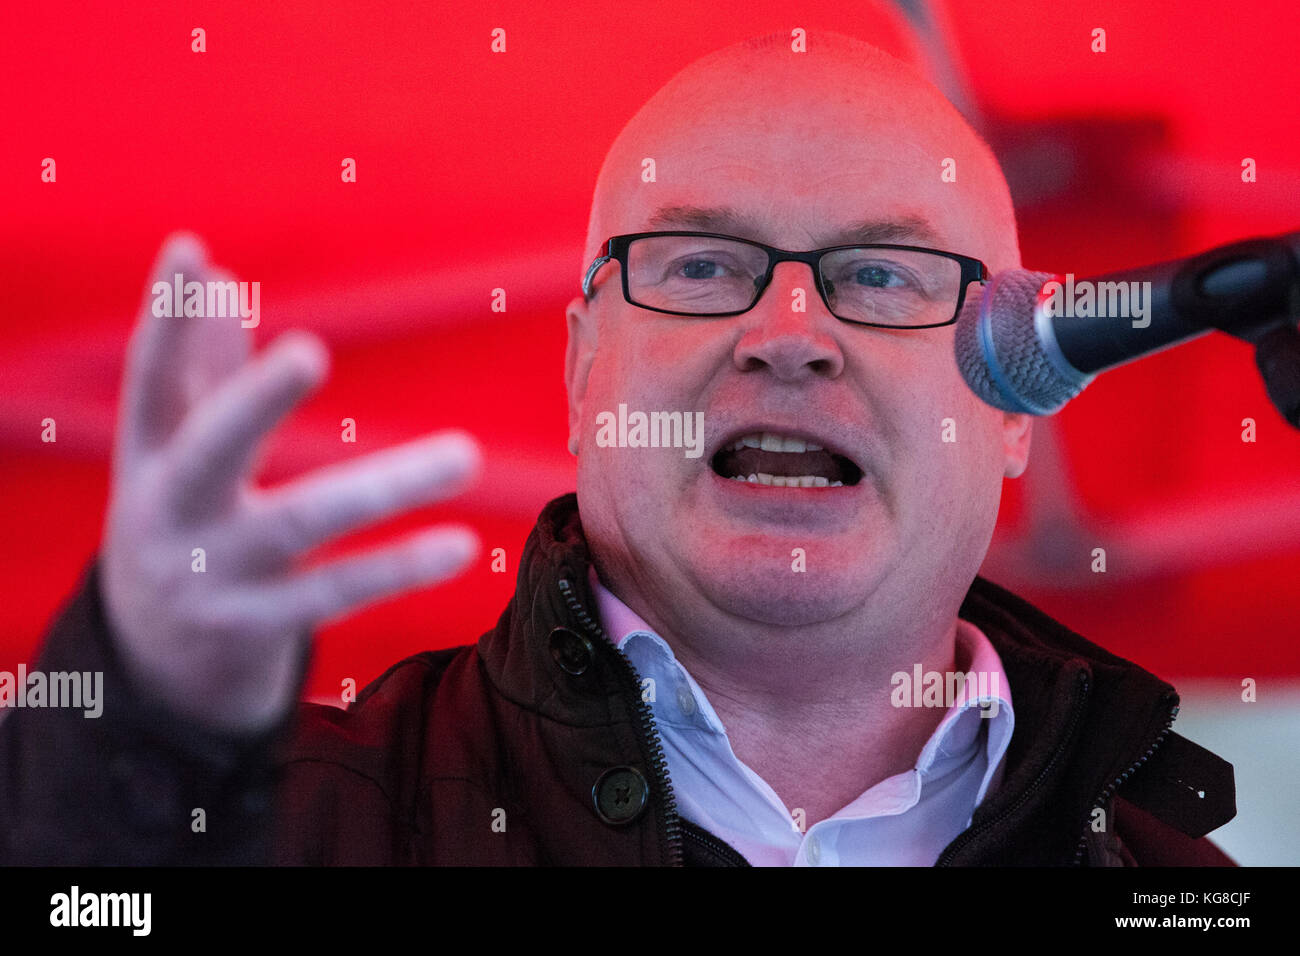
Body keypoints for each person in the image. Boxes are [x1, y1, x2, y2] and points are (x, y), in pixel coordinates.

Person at [0, 30, 1235, 866]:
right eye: (701, 265)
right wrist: (141, 717)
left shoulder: (1176, 873)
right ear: (585, 367)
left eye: (881, 272)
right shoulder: (317, 819)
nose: (789, 333)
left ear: (1017, 401)